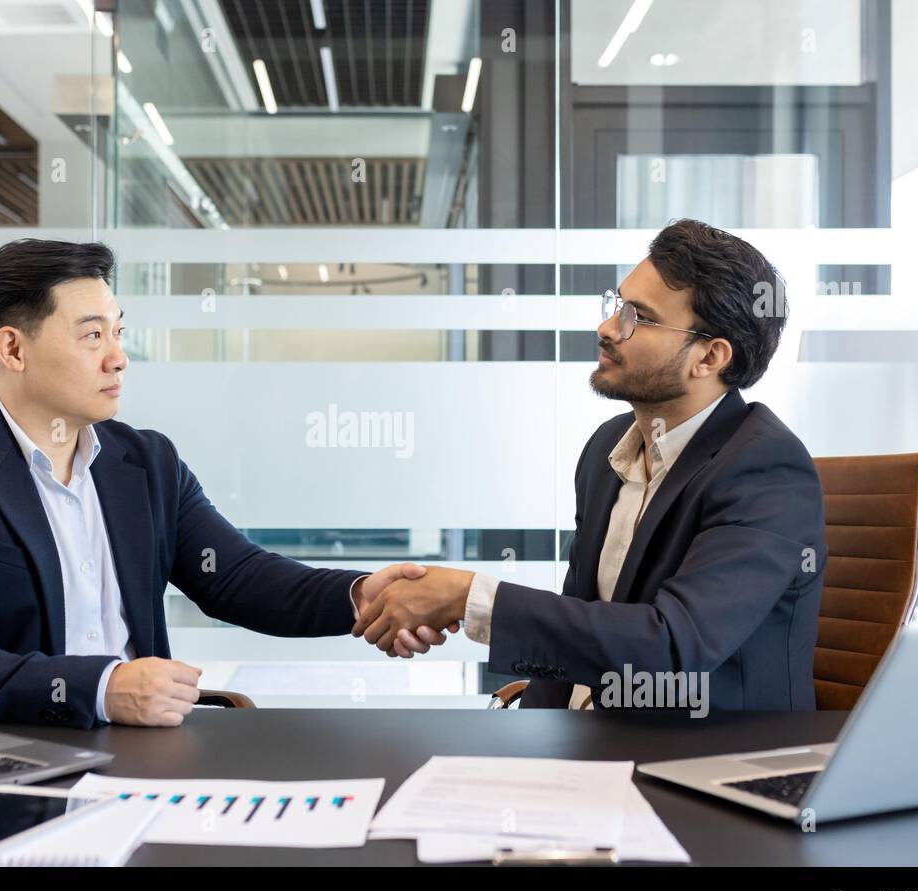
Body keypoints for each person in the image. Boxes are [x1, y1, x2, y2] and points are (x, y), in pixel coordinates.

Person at [0, 239, 422, 728]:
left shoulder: (145, 463)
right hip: (12, 759)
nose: (118, 358)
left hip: (142, 760)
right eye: (92, 336)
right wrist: (102, 688)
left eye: (118, 333)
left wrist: (358, 595)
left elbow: (240, 578)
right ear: (12, 348)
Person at [353, 219, 826, 711]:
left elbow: (671, 648)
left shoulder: (766, 469)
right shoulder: (609, 448)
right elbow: (579, 625)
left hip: (708, 759)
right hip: (598, 744)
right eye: (617, 307)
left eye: (638, 318)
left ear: (709, 356)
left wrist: (468, 596)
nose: (607, 329)